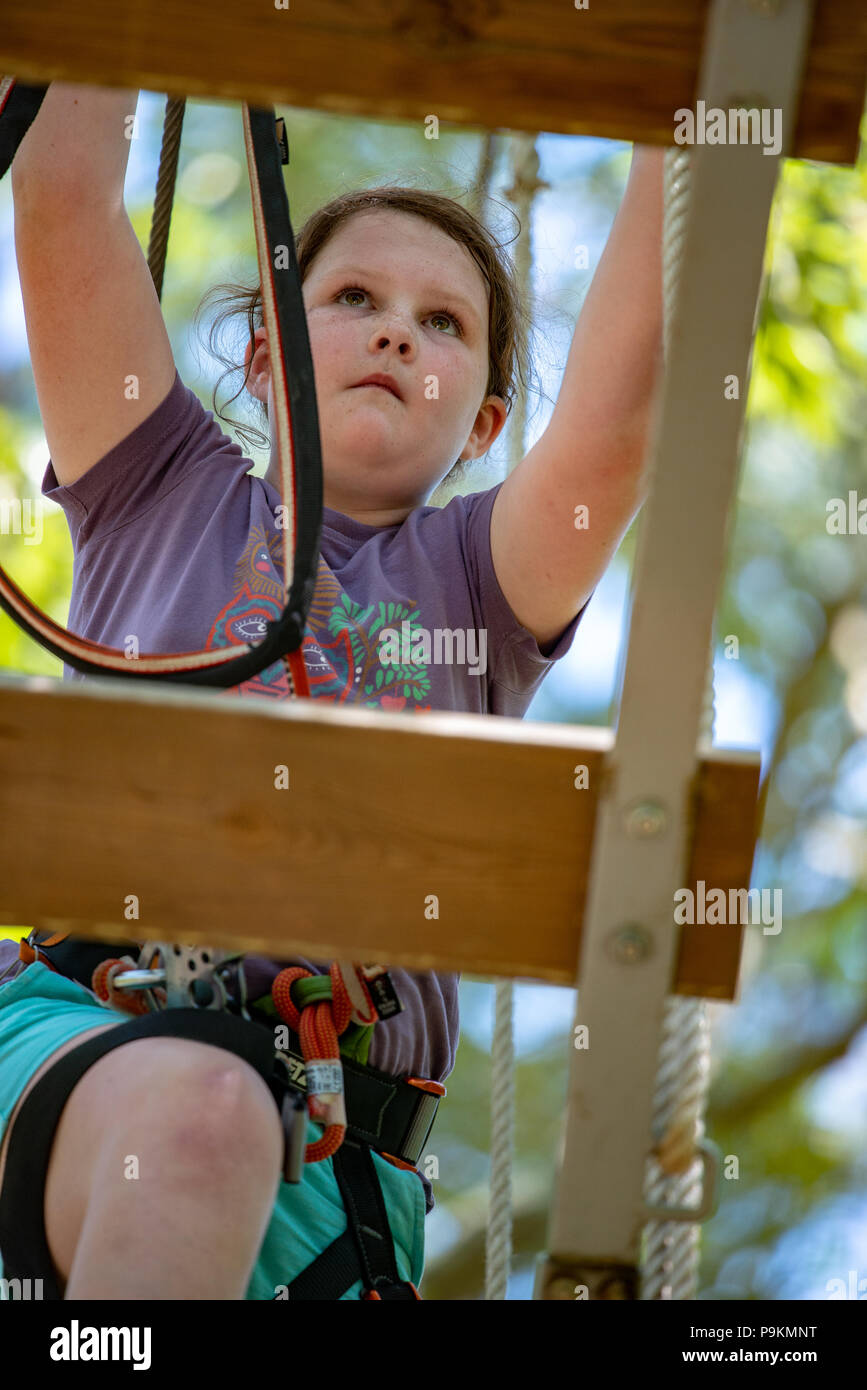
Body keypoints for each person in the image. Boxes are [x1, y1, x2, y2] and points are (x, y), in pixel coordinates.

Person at [0, 83, 661, 1299]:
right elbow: (59, 203)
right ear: (266, 351)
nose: (398, 332)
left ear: (484, 424)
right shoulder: (159, 488)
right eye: (353, 298)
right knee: (203, 1118)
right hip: (85, 1044)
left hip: (339, 1166)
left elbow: (615, 432)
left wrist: (684, 114)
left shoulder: (476, 586)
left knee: (218, 1125)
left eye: (444, 323)